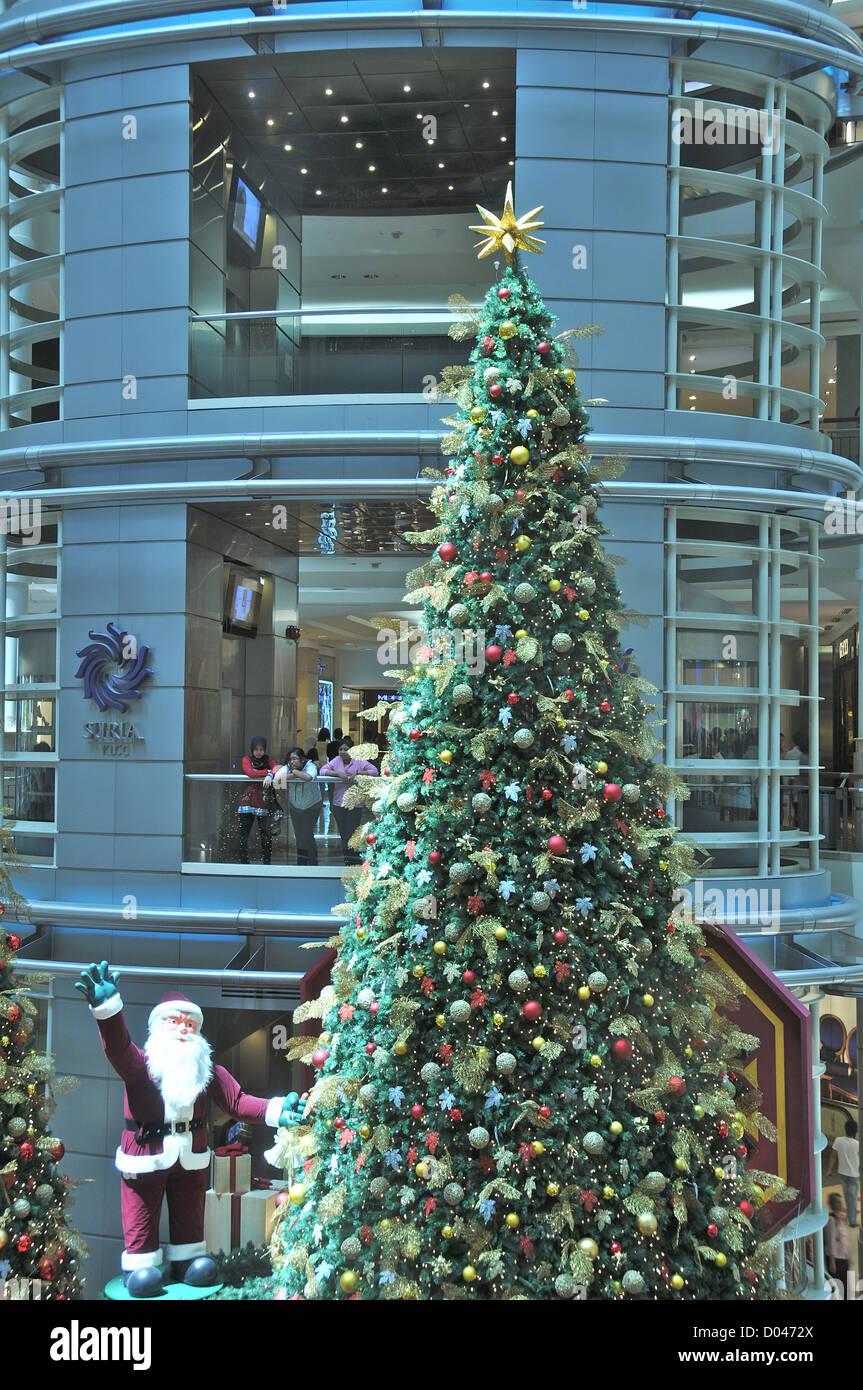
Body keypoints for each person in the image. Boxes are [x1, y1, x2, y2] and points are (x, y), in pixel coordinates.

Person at [74, 964, 302, 1298]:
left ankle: (188, 1257)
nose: (183, 1028)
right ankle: (139, 1264)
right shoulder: (140, 1064)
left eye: (189, 1023)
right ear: (157, 1027)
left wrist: (276, 1110)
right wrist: (109, 1012)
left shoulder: (207, 1071)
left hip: (190, 1160)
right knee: (140, 1211)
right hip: (145, 1157)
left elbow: (237, 1101)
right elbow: (118, 1048)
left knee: (189, 1211)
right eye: (174, 1021)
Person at [319, 735, 379, 864]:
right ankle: (347, 859)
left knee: (352, 832)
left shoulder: (359, 761)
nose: (342, 752)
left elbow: (374, 771)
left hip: (355, 803)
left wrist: (358, 774)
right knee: (343, 833)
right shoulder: (336, 761)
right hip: (338, 803)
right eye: (340, 749)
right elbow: (322, 771)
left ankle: (354, 859)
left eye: (345, 749)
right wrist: (337, 773)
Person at [273, 747, 323, 866]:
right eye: (290, 759)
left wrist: (294, 773)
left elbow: (309, 777)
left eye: (295, 759)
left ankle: (313, 863)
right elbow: (277, 779)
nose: (292, 761)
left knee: (307, 834)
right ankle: (301, 863)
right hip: (295, 806)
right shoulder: (288, 767)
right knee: (299, 836)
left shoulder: (310, 766)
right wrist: (296, 774)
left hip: (312, 805)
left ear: (302, 759)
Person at [237, 736, 278, 864]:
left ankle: (267, 862)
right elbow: (251, 773)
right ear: (252, 749)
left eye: (261, 749)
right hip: (248, 800)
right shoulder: (246, 759)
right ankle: (244, 861)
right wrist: (268, 773)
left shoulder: (269, 759)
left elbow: (277, 769)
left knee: (266, 834)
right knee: (244, 832)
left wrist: (271, 774)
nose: (259, 752)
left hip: (264, 800)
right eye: (256, 749)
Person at [827, 1118, 859, 1227]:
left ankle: (850, 1217)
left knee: (847, 1196)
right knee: (853, 1198)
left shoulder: (838, 1140)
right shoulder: (857, 1144)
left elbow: (833, 1156)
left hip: (843, 1173)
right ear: (856, 1131)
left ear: (845, 1129)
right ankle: (853, 1221)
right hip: (854, 1175)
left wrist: (829, 1170)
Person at [824, 1192, 850, 1298]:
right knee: (840, 1288)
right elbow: (831, 1242)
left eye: (840, 1202)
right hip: (836, 1260)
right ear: (832, 1204)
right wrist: (832, 1262)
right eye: (837, 1202)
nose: (840, 1204)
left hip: (843, 1258)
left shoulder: (841, 1218)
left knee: (846, 1287)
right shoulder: (831, 1220)